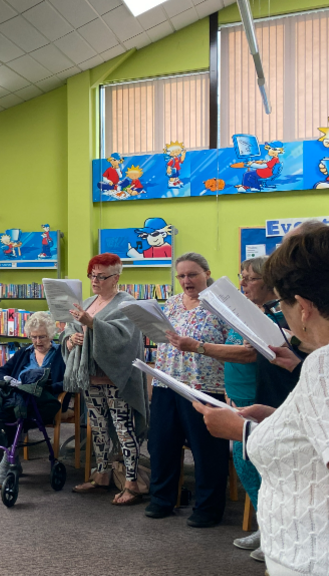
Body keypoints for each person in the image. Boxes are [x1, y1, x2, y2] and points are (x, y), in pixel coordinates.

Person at [193, 227, 328, 576]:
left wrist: (243, 430)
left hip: (311, 557)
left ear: (303, 307)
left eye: (283, 305)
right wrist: (278, 418)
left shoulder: (323, 364)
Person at [165, 256, 273, 559]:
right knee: (244, 465)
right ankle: (266, 527)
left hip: (258, 397)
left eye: (250, 278)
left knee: (262, 466)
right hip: (235, 395)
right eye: (242, 276)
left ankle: (274, 532)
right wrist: (226, 391)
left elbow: (251, 354)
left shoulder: (270, 316)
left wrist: (198, 347)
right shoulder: (244, 310)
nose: (243, 284)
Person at [147, 252, 230, 527]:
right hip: (165, 382)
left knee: (206, 450)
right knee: (161, 445)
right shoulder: (170, 303)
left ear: (206, 273)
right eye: (181, 275)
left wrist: (195, 344)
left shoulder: (220, 305)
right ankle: (162, 500)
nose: (186, 280)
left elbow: (234, 347)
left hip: (205, 386)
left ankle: (208, 508)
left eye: (192, 274)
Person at [64, 253, 150, 506]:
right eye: (92, 275)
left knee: (124, 430)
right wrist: (71, 340)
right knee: (98, 428)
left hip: (116, 380)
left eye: (101, 276)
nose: (95, 280)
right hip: (90, 377)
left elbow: (126, 339)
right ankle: (101, 473)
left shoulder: (127, 303)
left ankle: (131, 483)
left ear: (116, 277)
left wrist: (91, 324)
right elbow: (71, 329)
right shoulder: (89, 301)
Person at [0, 311, 66, 487]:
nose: (38, 342)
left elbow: (68, 382)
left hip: (46, 401)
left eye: (42, 337)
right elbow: (2, 371)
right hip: (18, 397)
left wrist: (45, 387)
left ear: (51, 335)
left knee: (16, 411)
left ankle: (7, 463)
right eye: (34, 337)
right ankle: (12, 460)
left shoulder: (61, 354)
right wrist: (6, 381)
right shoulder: (24, 353)